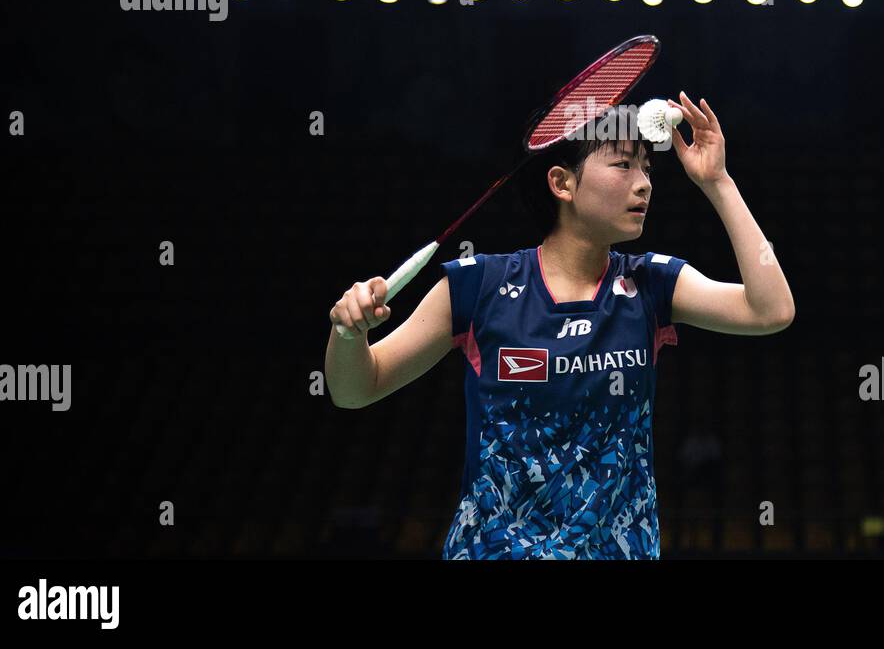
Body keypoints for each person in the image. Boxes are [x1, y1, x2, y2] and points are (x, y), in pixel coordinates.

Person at [324, 92, 795, 558]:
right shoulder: (477, 288)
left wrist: (718, 181)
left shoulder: (650, 284)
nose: (645, 183)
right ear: (561, 183)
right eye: (623, 165)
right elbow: (356, 388)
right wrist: (348, 333)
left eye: (647, 168)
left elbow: (770, 311)